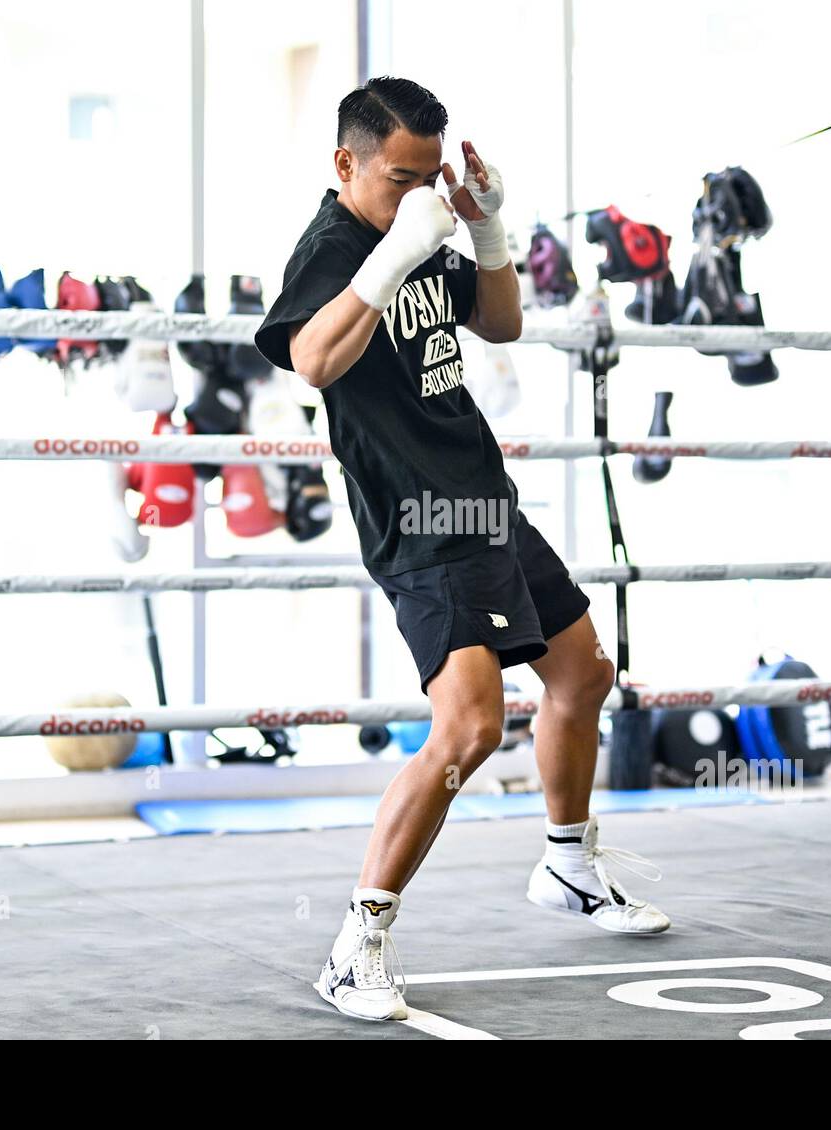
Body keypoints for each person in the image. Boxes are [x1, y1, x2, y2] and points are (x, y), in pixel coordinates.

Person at [254, 76, 671, 1024]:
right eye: (400, 178)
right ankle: (355, 942)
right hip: (417, 518)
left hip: (483, 501)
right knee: (472, 729)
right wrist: (394, 254)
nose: (418, 196)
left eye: (429, 178)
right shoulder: (329, 251)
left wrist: (483, 230)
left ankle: (569, 866)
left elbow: (501, 322)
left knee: (582, 672)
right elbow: (314, 360)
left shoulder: (430, 221)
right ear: (345, 164)